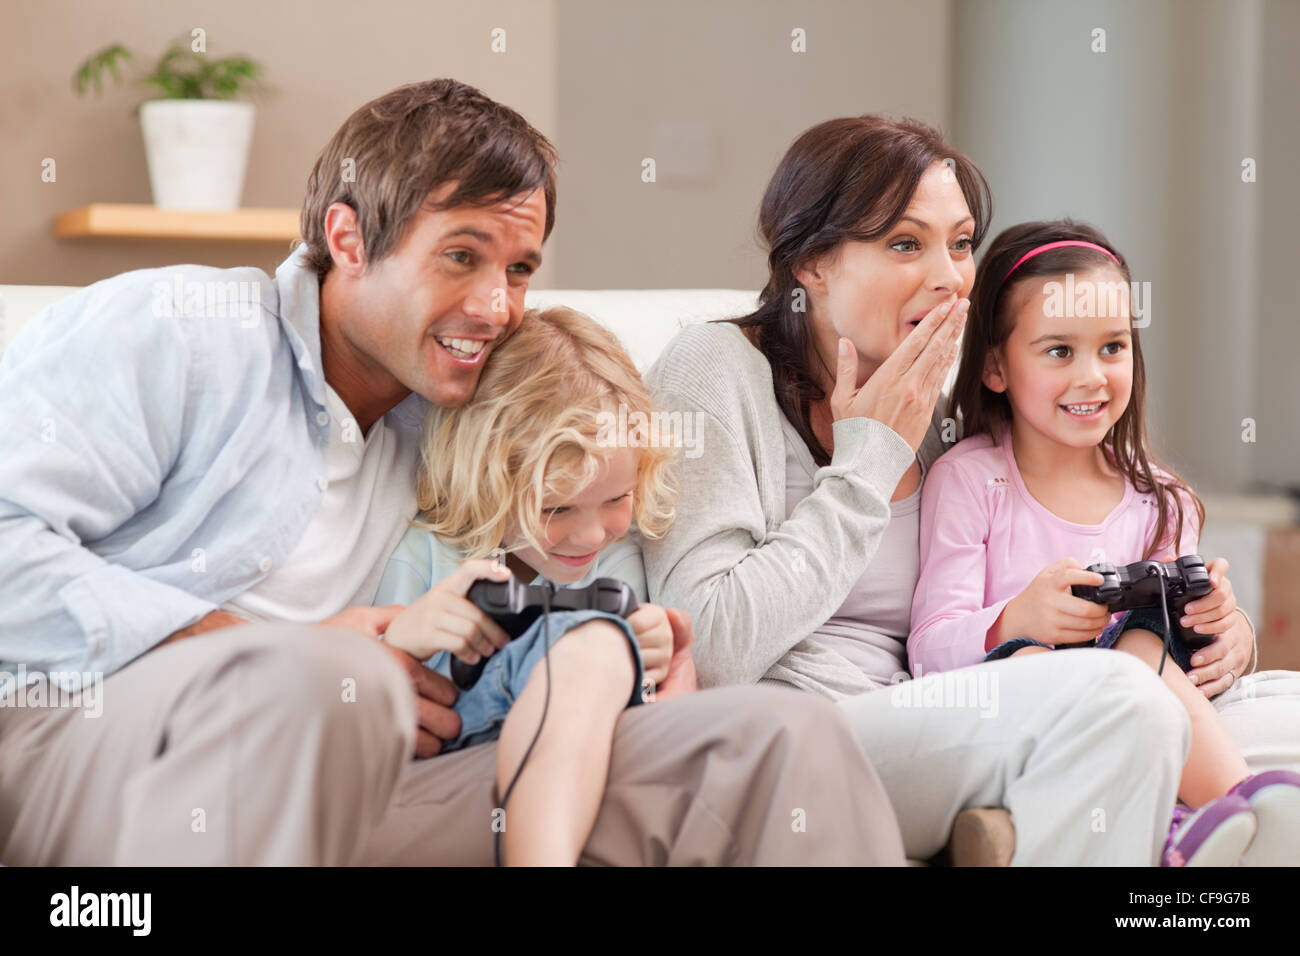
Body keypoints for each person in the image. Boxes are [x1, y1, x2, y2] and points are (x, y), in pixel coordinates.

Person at [0, 80, 904, 866]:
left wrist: (640, 644)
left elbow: (568, 539)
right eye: (461, 257)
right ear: (347, 239)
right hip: (92, 750)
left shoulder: (468, 405)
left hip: (373, 776)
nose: (497, 306)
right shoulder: (183, 332)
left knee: (773, 741)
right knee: (317, 688)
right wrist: (274, 646)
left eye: (518, 268)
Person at [641, 114, 1203, 865]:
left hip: (939, 712)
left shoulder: (937, 414)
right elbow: (707, 649)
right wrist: (867, 461)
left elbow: (1009, 573)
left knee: (1276, 715)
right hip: (799, 731)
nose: (950, 276)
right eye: (906, 243)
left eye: (961, 243)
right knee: (1121, 702)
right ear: (811, 262)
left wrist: (1207, 632)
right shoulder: (714, 369)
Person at [909, 219, 1300, 866]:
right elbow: (926, 652)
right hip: (1022, 707)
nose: (1093, 376)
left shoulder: (1163, 499)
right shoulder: (970, 480)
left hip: (1148, 708)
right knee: (1116, 655)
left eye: (1113, 347)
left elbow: (1187, 667)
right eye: (1059, 351)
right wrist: (1018, 618)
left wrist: (1226, 635)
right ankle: (1242, 811)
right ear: (997, 367)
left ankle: (1216, 817)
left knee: (1146, 636)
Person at [375, 305, 693, 865]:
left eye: (617, 499)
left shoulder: (616, 556)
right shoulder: (425, 553)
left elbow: (632, 706)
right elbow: (375, 703)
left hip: (582, 755)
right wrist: (405, 637)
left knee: (599, 643)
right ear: (488, 476)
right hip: (456, 757)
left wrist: (652, 649)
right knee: (584, 640)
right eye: (556, 507)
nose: (592, 532)